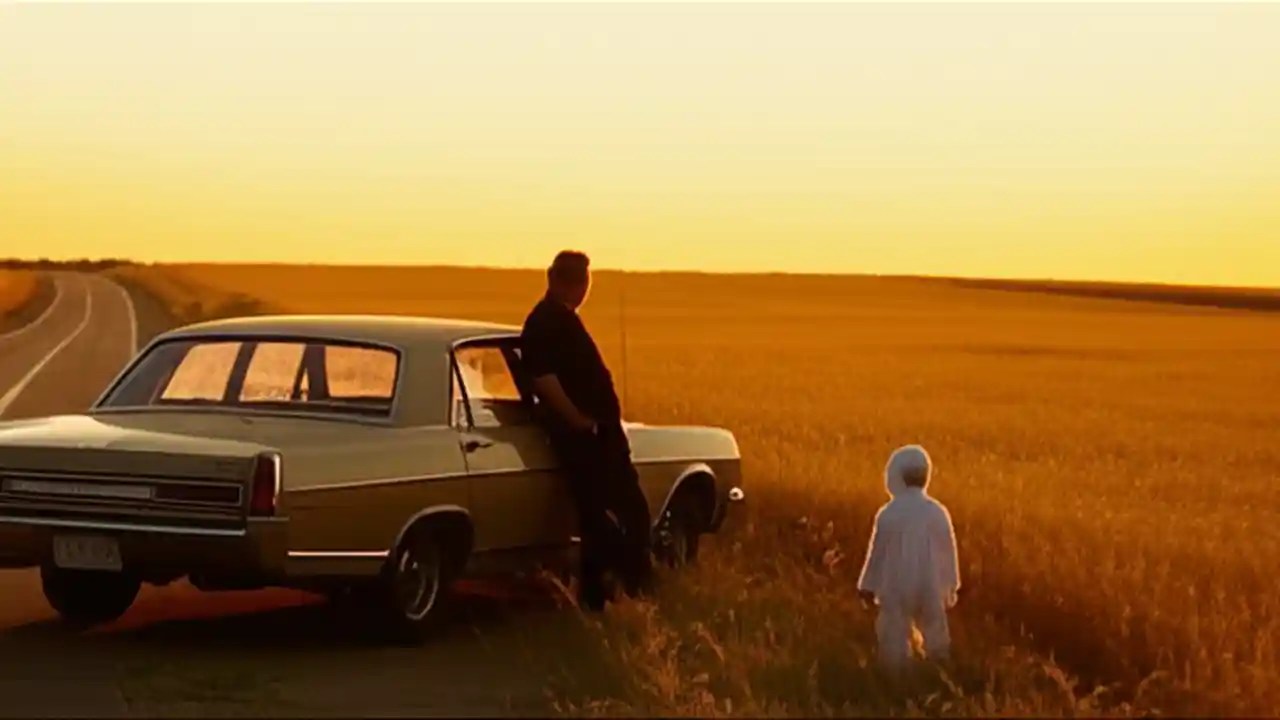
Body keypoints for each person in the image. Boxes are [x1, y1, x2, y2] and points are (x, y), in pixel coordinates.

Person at [520, 250, 654, 611]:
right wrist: (577, 420)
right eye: (580, 281)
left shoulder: (561, 319)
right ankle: (626, 589)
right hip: (585, 439)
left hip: (597, 433)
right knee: (623, 514)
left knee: (604, 517)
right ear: (571, 283)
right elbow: (543, 379)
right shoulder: (545, 322)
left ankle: (605, 594)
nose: (583, 289)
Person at [856, 444, 961, 673]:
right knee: (935, 630)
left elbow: (878, 552)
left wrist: (867, 585)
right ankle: (938, 673)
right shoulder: (937, 511)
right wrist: (950, 584)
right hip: (930, 583)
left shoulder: (888, 513)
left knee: (893, 631)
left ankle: (896, 677)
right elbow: (947, 552)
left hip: (895, 584)